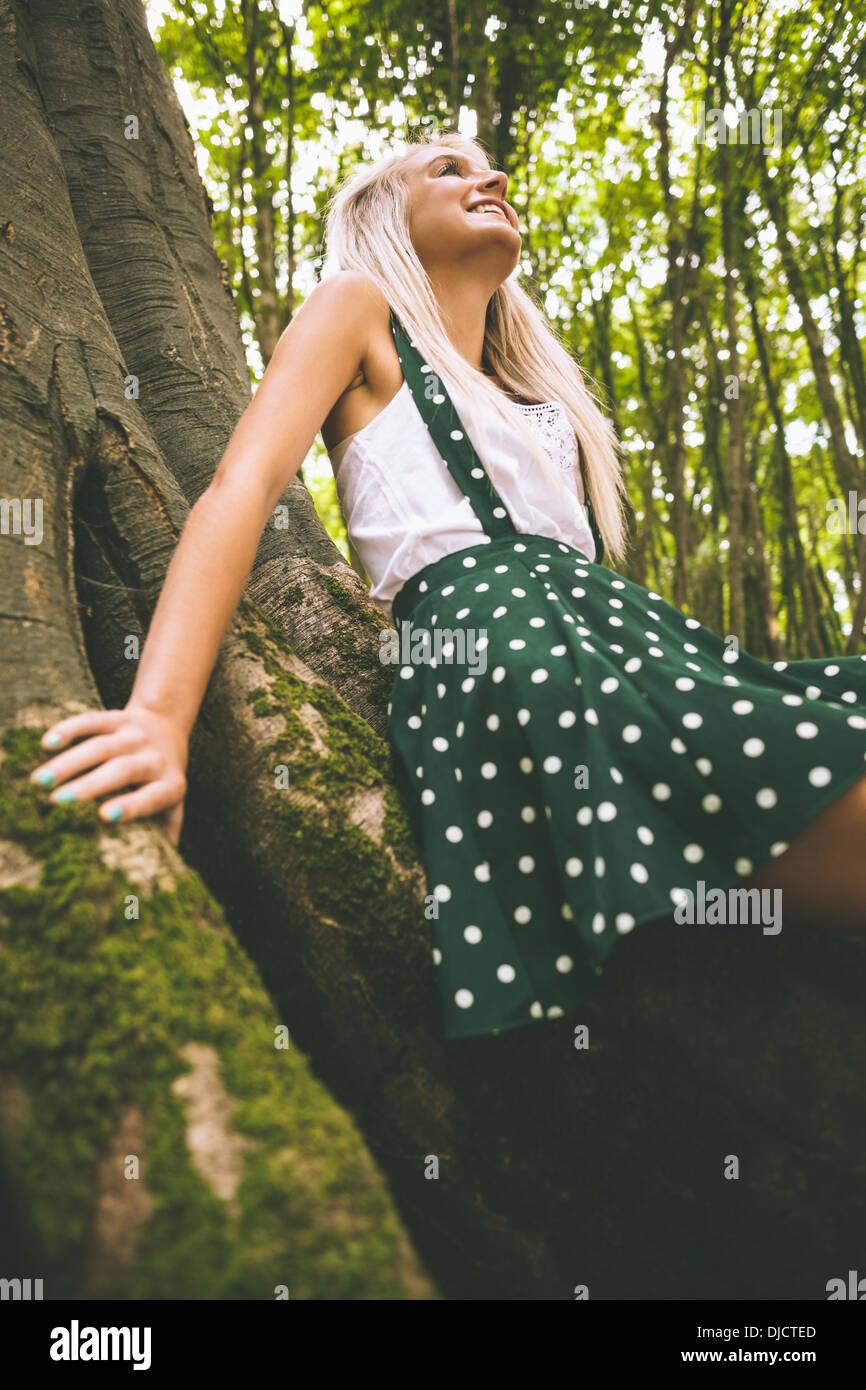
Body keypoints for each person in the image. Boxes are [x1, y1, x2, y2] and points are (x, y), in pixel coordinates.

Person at [29, 131, 866, 1044]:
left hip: (624, 641)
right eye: (449, 169)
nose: (491, 176)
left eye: (487, 166)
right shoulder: (357, 309)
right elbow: (241, 490)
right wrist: (159, 716)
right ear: (385, 216)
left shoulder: (537, 398)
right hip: (508, 656)